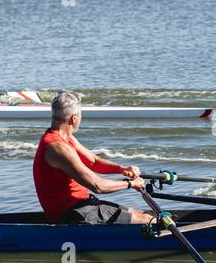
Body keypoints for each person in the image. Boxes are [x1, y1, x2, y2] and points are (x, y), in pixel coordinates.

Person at [33, 91, 151, 225]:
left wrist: (121, 169)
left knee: (146, 215)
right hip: (72, 214)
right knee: (148, 221)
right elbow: (98, 186)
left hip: (83, 205)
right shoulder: (57, 148)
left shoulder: (67, 139)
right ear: (74, 118)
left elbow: (93, 162)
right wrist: (131, 183)